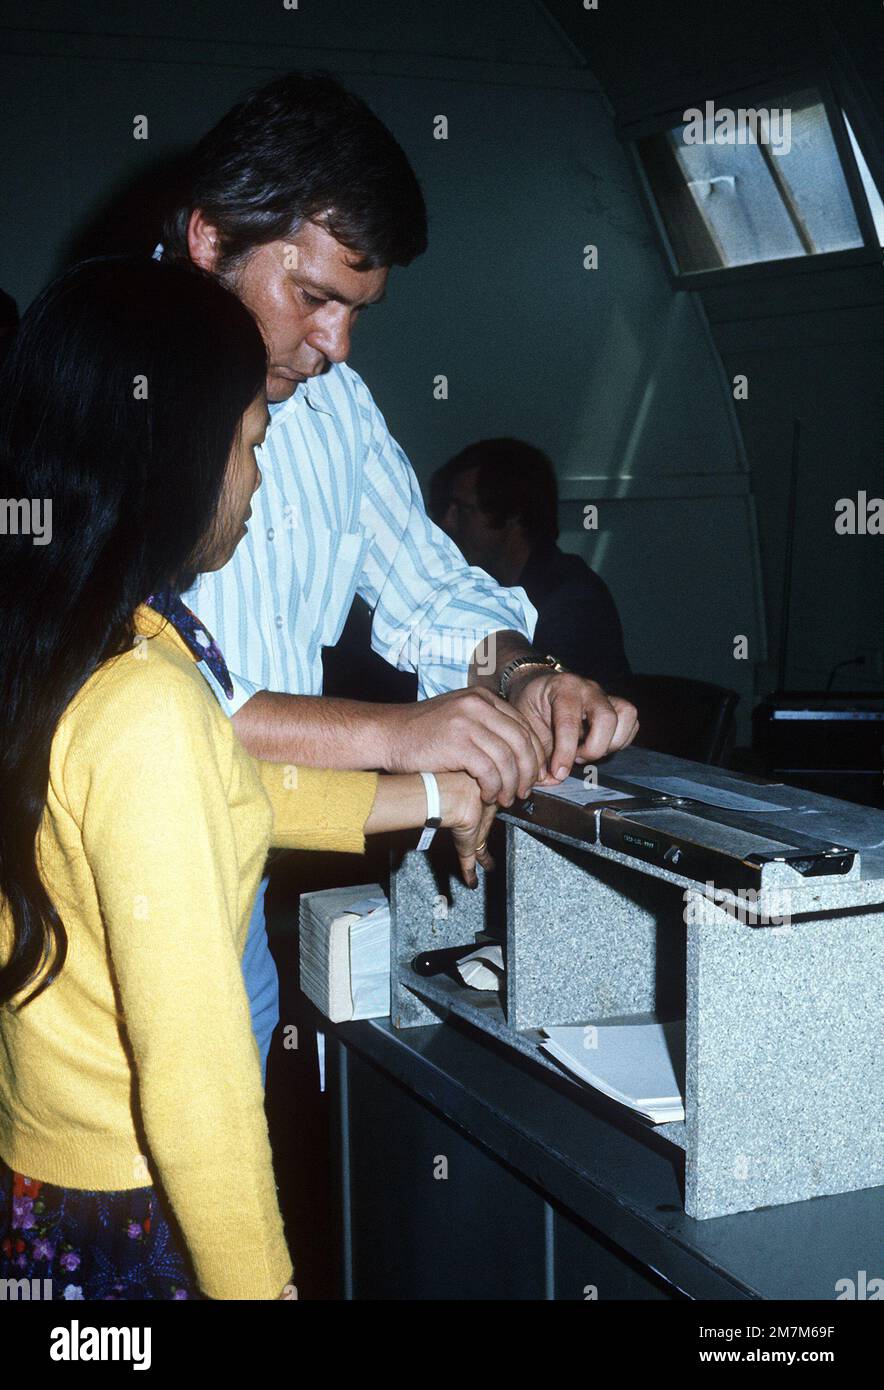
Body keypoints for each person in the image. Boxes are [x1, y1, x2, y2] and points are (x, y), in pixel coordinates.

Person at [0, 258, 496, 1300]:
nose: (259, 481)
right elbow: (196, 1083)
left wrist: (434, 794)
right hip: (140, 1209)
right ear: (177, 458)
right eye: (250, 445)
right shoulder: (147, 704)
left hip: (48, 1171)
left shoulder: (72, 643)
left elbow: (230, 791)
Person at [158, 73, 638, 1067]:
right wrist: (407, 737)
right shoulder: (105, 386)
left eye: (357, 309)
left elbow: (427, 588)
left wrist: (523, 675)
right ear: (210, 240)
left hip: (238, 888)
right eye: (314, 297)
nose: (335, 343)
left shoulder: (329, 404)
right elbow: (176, 716)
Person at [433, 439, 632, 692]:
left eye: (462, 510)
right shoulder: (490, 588)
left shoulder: (570, 602)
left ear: (513, 514)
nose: (447, 523)